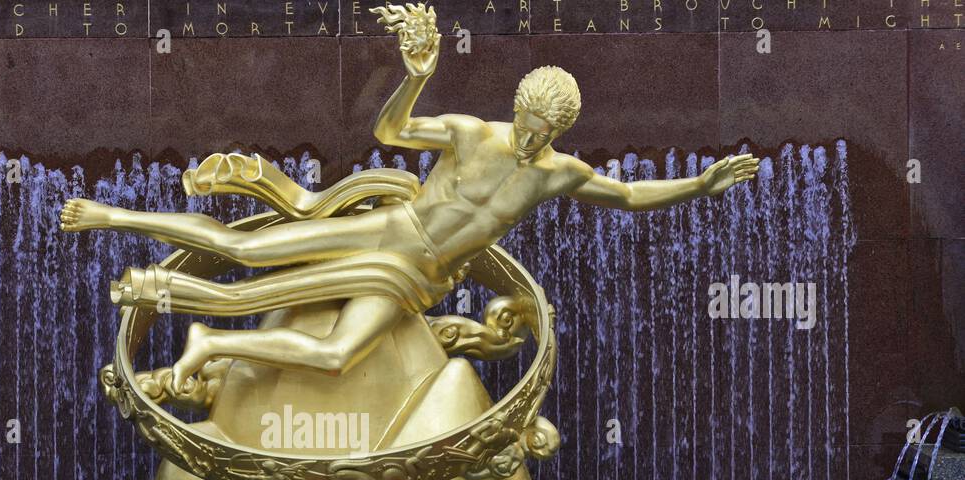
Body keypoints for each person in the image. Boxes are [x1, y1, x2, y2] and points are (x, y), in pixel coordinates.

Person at [60, 2, 757, 393]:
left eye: (539, 130)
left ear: (558, 131)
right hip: (390, 232)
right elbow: (389, 129)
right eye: (522, 120)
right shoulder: (470, 132)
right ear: (515, 108)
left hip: (417, 280)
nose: (525, 135)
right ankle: (112, 217)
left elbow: (630, 195)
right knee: (245, 247)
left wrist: (701, 183)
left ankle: (209, 342)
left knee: (336, 355)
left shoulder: (558, 172)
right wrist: (415, 76)